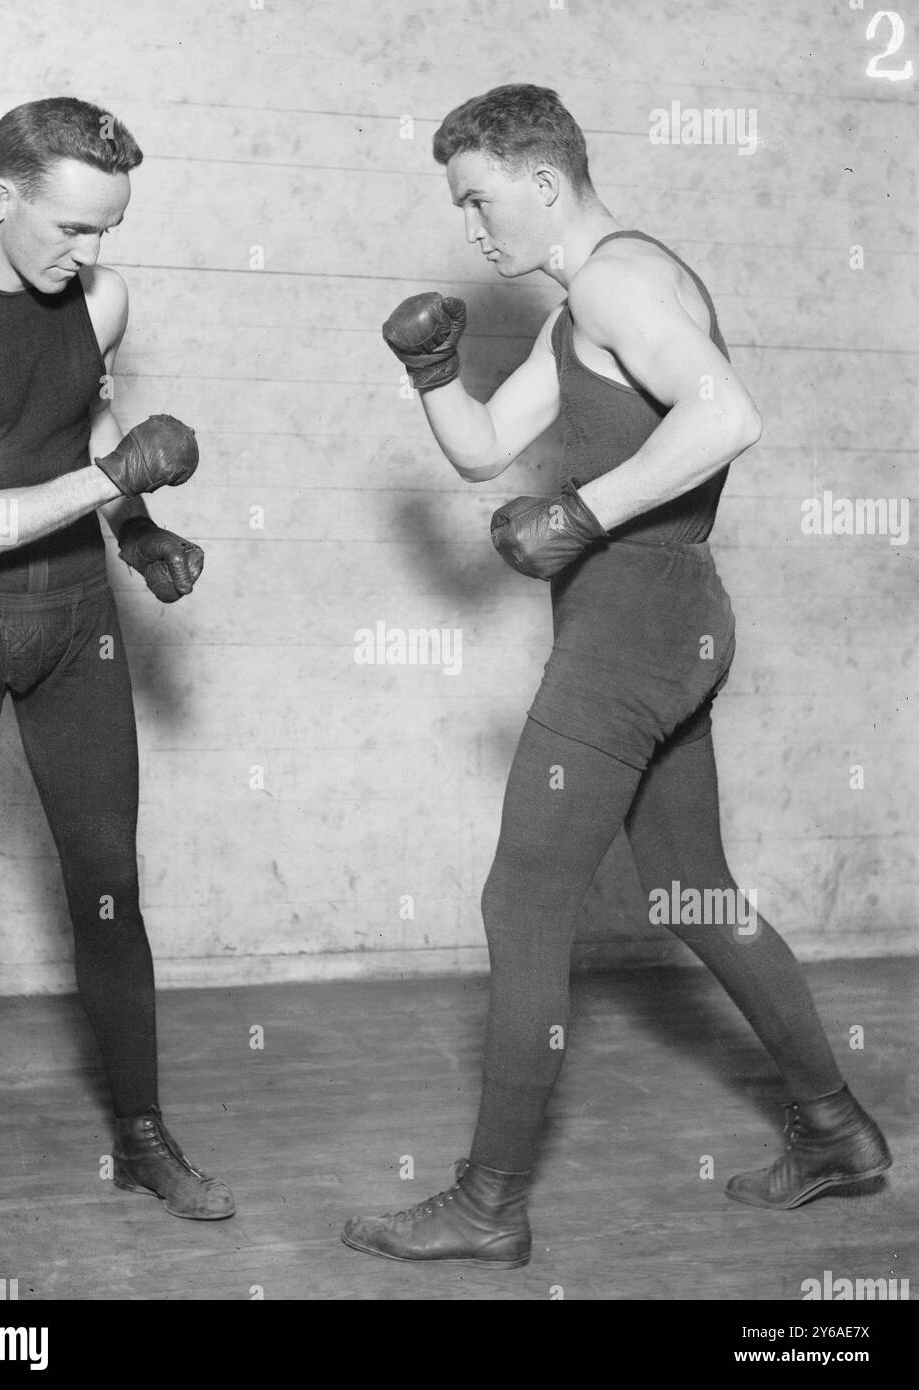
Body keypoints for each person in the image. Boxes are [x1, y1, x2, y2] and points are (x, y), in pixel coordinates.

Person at [342, 84, 890, 1268]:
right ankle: (836, 1131)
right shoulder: (572, 313)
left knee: (521, 902)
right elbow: (488, 449)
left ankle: (488, 1199)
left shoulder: (618, 282)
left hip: (633, 629)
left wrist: (579, 515)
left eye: (481, 200)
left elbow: (725, 414)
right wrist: (435, 370)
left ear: (543, 183)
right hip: (664, 622)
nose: (475, 231)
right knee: (693, 888)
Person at [0, 97, 234, 1253]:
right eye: (75, 228)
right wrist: (112, 485)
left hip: (71, 619)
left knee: (106, 879)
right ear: (2, 196)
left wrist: (133, 526)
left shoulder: (100, 295)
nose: (93, 255)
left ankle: (140, 1137)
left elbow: (89, 424)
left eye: (110, 229)